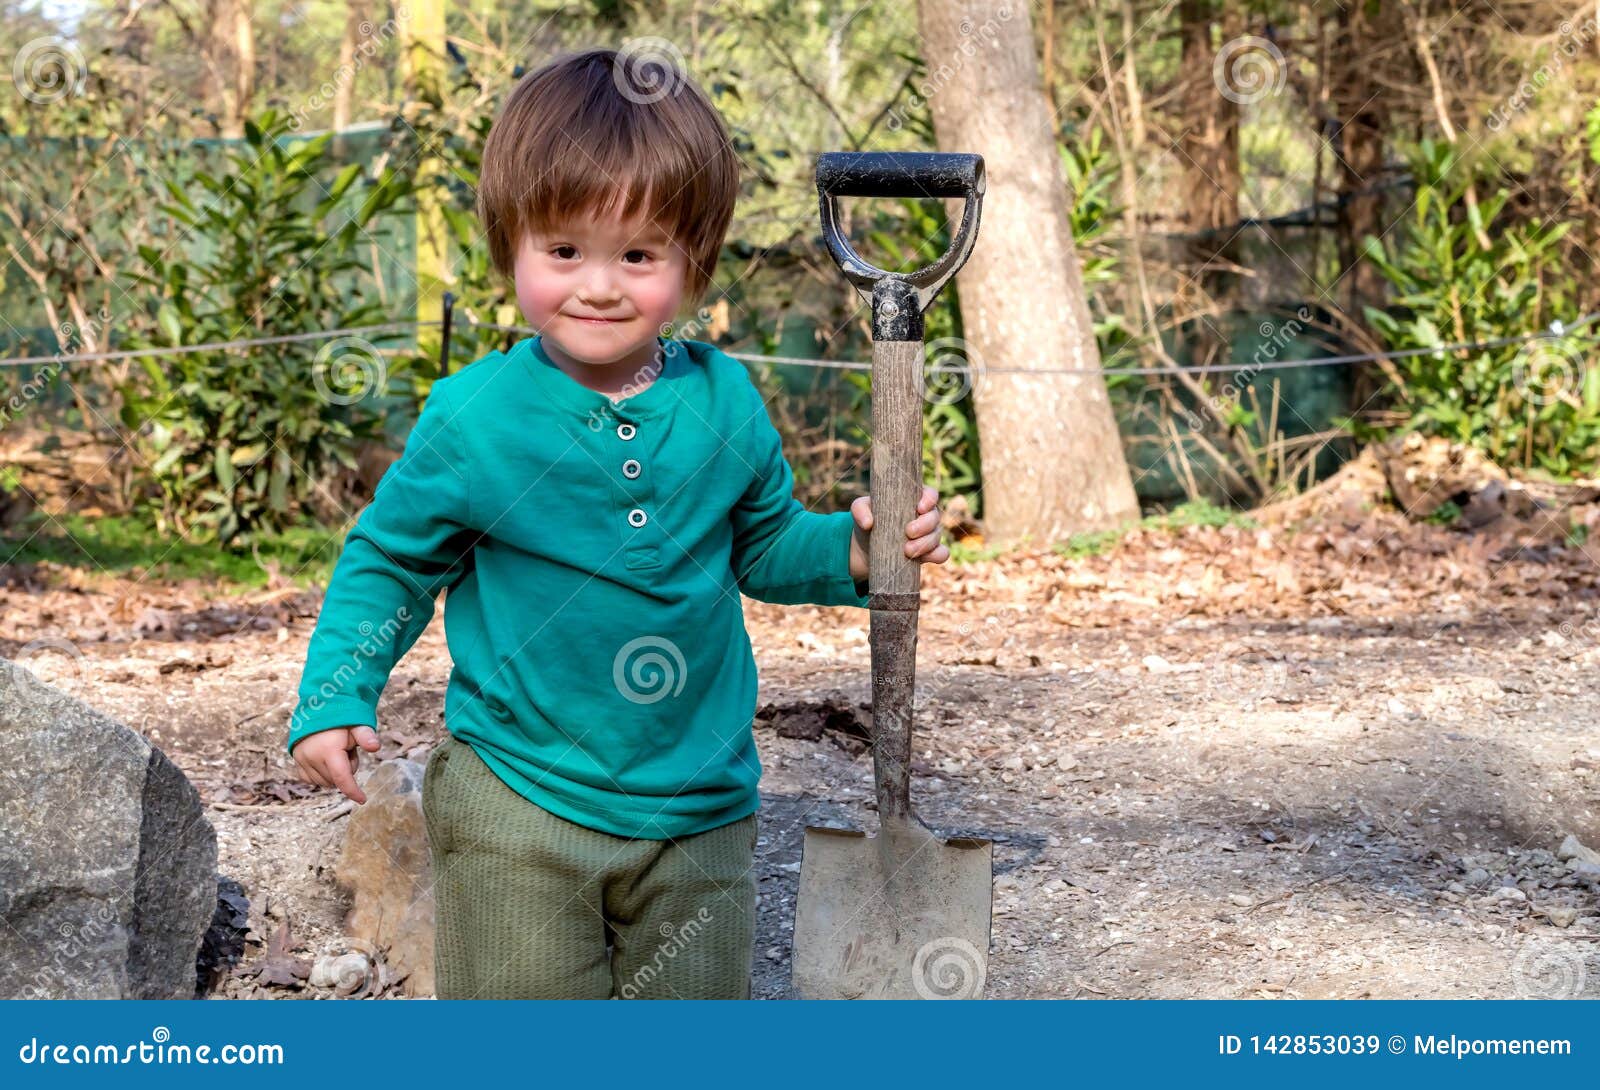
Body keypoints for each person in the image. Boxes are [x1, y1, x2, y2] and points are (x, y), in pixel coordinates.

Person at [287, 45, 950, 999]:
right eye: (564, 252)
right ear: (510, 244)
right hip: (520, 801)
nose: (599, 285)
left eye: (637, 255)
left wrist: (849, 545)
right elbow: (391, 564)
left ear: (694, 262)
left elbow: (761, 547)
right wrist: (333, 696)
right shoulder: (476, 419)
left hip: (701, 807)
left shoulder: (724, 402)